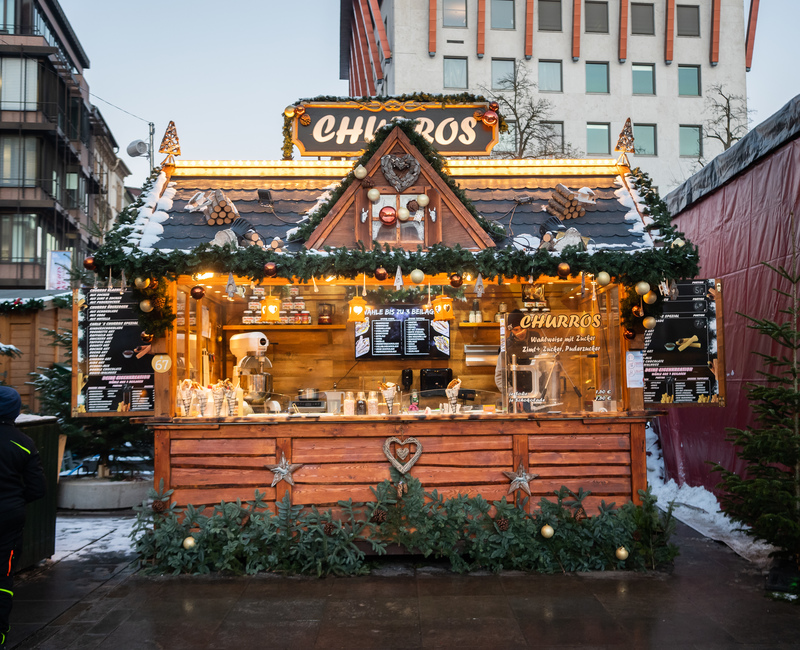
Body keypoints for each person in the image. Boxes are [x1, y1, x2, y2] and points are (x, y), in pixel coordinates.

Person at [0, 387, 46, 647]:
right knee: (3, 575)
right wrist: (16, 500)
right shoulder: (23, 443)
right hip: (8, 517)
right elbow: (38, 489)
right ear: (15, 411)